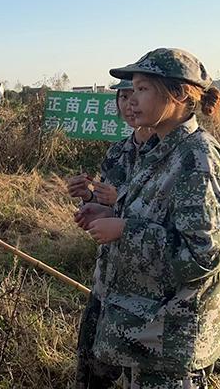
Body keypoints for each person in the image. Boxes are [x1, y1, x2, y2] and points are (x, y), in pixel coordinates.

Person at [79, 48, 220, 388]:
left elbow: (202, 255)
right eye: (131, 90)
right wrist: (109, 212)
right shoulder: (159, 151)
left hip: (170, 344)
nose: (131, 100)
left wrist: (123, 231)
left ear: (178, 95)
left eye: (143, 89)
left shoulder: (197, 159)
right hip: (142, 331)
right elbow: (156, 217)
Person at [71, 79, 157, 388]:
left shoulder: (174, 156)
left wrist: (116, 207)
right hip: (108, 281)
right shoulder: (118, 152)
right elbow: (114, 209)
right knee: (92, 370)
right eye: (123, 96)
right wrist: (90, 200)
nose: (130, 104)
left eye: (137, 94)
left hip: (148, 295)